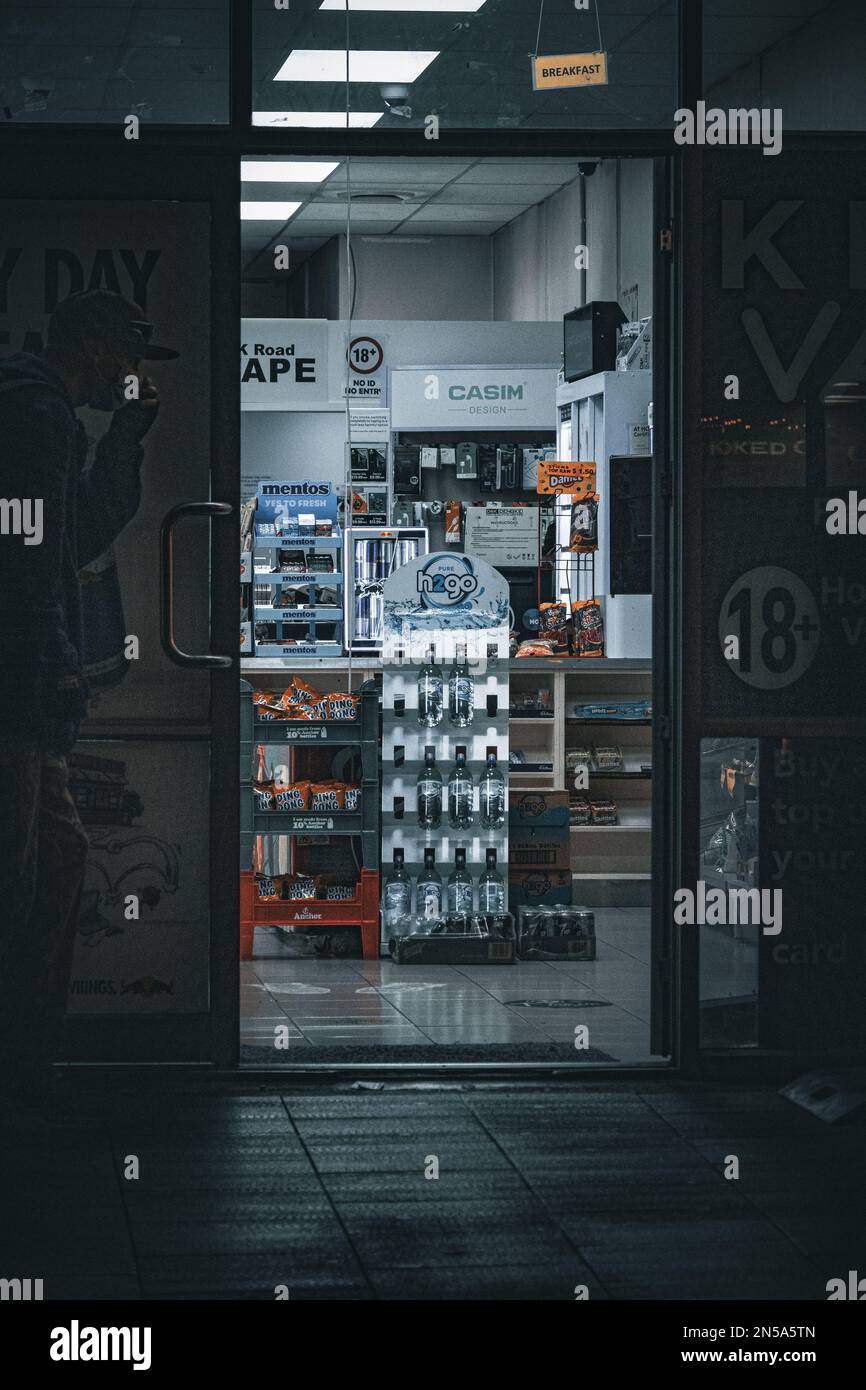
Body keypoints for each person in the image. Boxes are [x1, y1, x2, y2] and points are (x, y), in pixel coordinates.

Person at [0, 289, 178, 1114]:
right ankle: (21, 1063)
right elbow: (30, 557)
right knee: (24, 870)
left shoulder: (48, 412)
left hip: (27, 692)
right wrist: (59, 667)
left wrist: (128, 436)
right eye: (130, 361)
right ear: (101, 350)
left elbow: (79, 530)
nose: (134, 377)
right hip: (18, 696)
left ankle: (33, 1049)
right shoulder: (33, 414)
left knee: (59, 859)